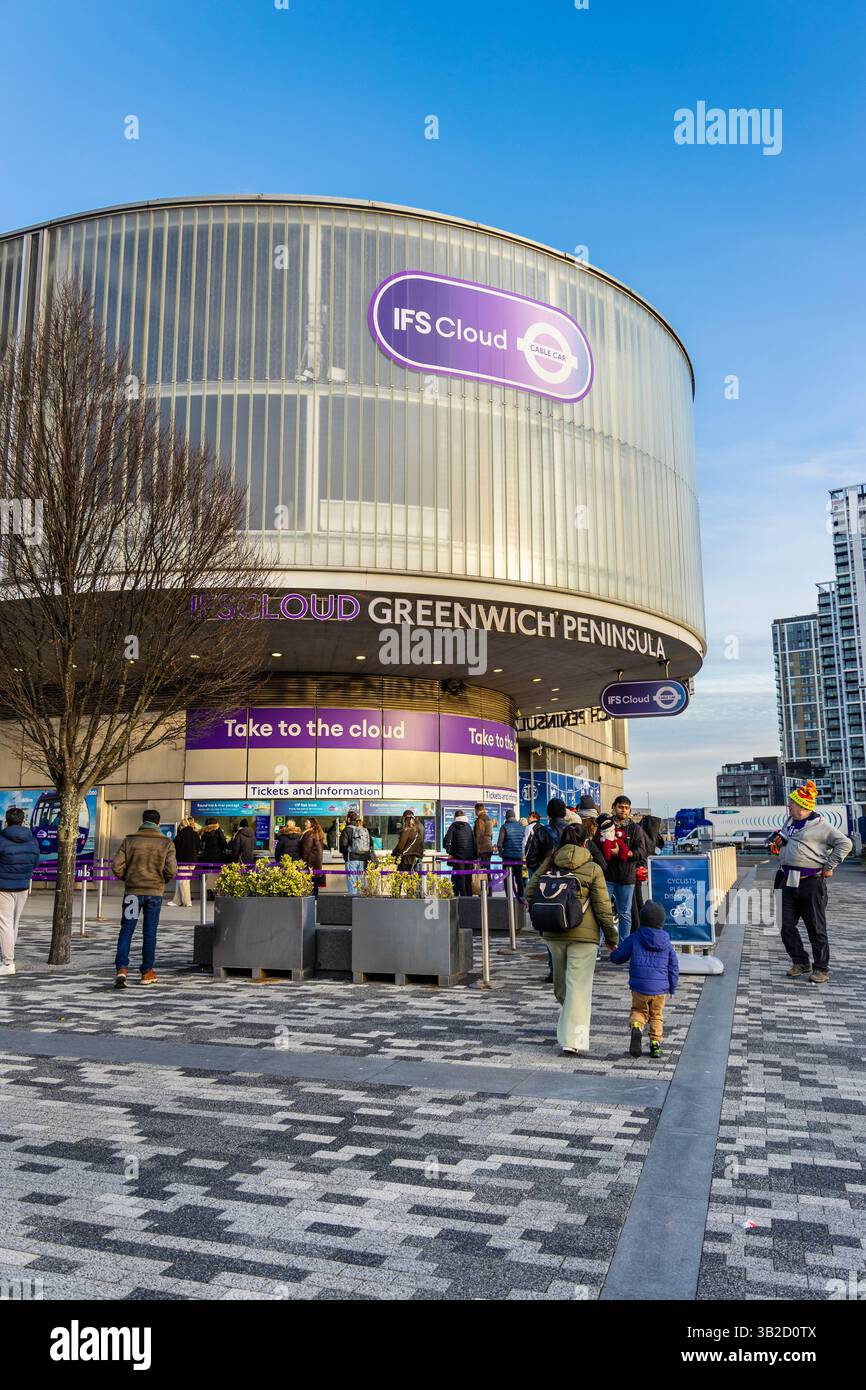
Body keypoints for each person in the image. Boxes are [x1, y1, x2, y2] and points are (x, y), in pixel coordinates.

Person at [525, 822, 617, 1055]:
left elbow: (529, 893)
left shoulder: (550, 862)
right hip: (584, 935)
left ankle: (570, 1027)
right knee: (578, 986)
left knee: (562, 986)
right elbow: (603, 906)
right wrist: (611, 936)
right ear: (586, 842)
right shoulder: (593, 868)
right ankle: (572, 1039)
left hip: (553, 931)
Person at [772, 780, 852, 984]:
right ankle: (800, 961)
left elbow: (845, 843)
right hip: (787, 879)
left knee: (815, 927)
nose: (788, 806)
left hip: (810, 882)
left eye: (791, 803)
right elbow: (792, 843)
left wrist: (829, 866)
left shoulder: (822, 826)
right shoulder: (789, 821)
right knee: (785, 924)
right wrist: (781, 843)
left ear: (802, 807)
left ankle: (821, 968)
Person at [111, 809, 177, 988]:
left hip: (132, 893)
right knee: (150, 932)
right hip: (154, 893)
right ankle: (147, 972)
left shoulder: (130, 840)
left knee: (126, 930)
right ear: (158, 823)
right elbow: (171, 870)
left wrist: (128, 878)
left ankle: (122, 969)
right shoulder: (166, 842)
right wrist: (161, 880)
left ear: (143, 821)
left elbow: (116, 866)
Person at [609, 899, 679, 1059]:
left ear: (642, 919)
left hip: (639, 987)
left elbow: (618, 957)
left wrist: (613, 952)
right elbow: (674, 967)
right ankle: (655, 1045)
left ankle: (636, 1026)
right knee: (656, 1015)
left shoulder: (634, 937)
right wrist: (672, 987)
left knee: (639, 1011)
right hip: (660, 990)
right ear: (661, 921)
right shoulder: (667, 942)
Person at [597, 796, 647, 939]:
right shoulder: (604, 826)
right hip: (607, 876)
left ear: (629, 810)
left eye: (626, 808)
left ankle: (623, 946)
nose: (623, 810)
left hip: (627, 877)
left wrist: (625, 853)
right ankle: (598, 947)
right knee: (603, 912)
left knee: (625, 913)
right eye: (620, 807)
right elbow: (596, 846)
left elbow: (642, 851)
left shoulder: (635, 829)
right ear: (613, 807)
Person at [0, 807, 41, 977]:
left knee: (4, 923)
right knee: (13, 923)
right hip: (23, 885)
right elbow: (35, 862)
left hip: (3, 886)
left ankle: (8, 962)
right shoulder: (32, 840)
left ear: (7, 820)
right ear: (22, 820)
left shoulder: (1, 839)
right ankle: (8, 956)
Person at [497, 808, 527, 901]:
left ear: (506, 817)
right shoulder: (521, 827)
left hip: (507, 858)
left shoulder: (504, 827)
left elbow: (499, 844)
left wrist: (501, 853)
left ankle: (508, 898)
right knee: (519, 878)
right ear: (514, 817)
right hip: (518, 857)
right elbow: (523, 841)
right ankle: (521, 897)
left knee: (507, 879)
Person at [339, 810, 372, 894]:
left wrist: (346, 850)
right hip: (363, 859)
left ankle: (352, 901)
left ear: (349, 819)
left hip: (351, 859)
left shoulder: (346, 830)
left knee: (352, 881)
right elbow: (370, 843)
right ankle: (361, 901)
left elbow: (343, 846)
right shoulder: (363, 829)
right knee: (361, 881)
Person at [443, 810, 475, 896]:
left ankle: (462, 898)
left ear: (455, 817)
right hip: (469, 857)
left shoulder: (453, 826)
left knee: (460, 878)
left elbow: (446, 841)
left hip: (458, 857)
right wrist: (474, 856)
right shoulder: (468, 826)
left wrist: (450, 852)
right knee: (468, 878)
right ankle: (469, 897)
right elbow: (473, 841)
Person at [171, 816, 201, 907]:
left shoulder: (180, 835)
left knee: (183, 881)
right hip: (192, 861)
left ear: (181, 826)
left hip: (182, 861)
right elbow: (198, 846)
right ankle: (177, 900)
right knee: (183, 880)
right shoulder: (195, 834)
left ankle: (187, 901)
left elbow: (174, 848)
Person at [299, 817, 326, 896]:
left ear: (311, 824)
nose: (305, 824)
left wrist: (302, 863)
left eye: (307, 822)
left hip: (309, 864)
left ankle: (311, 903)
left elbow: (306, 851)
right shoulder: (317, 834)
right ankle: (315, 901)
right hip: (315, 865)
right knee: (314, 885)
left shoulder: (309, 834)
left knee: (309, 885)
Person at [524, 810, 553, 877]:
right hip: (543, 858)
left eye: (529, 817)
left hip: (532, 858)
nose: (528, 818)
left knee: (533, 879)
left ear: (534, 817)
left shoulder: (529, 828)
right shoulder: (543, 826)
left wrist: (526, 857)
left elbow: (525, 843)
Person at [473, 803, 493, 894]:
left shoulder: (480, 820)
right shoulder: (488, 818)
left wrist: (476, 851)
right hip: (489, 847)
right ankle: (489, 891)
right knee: (487, 870)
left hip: (482, 848)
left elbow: (478, 836)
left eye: (475, 811)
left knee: (483, 871)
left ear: (477, 810)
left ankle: (485, 892)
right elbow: (491, 835)